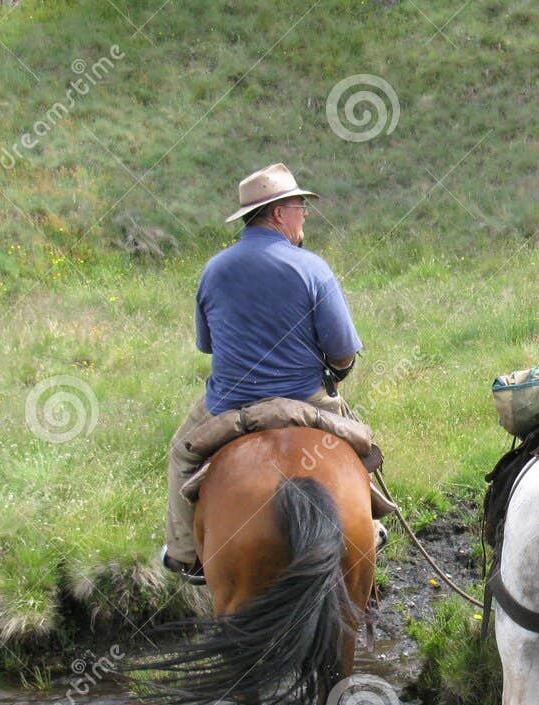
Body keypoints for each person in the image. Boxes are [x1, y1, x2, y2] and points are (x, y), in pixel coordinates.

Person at [162, 162, 381, 583]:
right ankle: (371, 526)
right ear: (278, 212)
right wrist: (341, 367)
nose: (304, 213)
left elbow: (207, 345)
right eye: (300, 205)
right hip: (305, 399)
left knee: (181, 453)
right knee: (361, 445)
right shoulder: (312, 267)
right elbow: (340, 353)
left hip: (228, 404)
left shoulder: (214, 270)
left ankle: (185, 555)